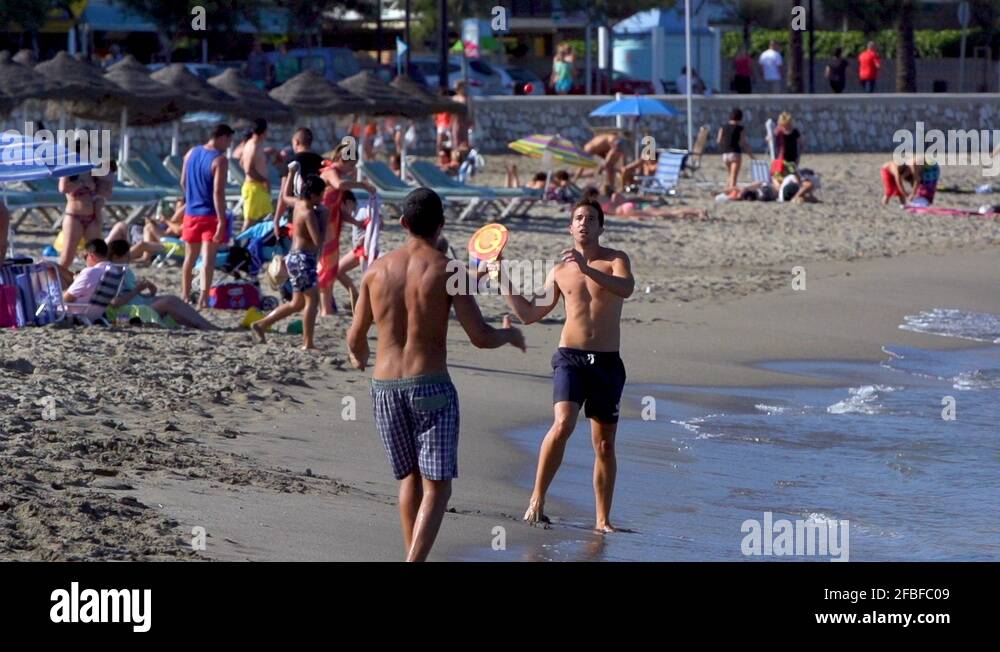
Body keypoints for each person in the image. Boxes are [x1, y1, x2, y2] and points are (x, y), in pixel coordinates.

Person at [347, 188, 526, 561]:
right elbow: (479, 337)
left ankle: (413, 554)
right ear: (441, 224)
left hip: (384, 388)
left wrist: (359, 355)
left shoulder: (376, 269)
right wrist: (508, 334)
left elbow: (355, 336)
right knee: (438, 488)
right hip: (430, 386)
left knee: (409, 478)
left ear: (403, 224)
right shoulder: (450, 270)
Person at [502, 198, 634, 532]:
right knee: (563, 424)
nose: (584, 223)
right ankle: (536, 500)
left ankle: (603, 520)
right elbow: (530, 313)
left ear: (601, 227)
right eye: (578, 218)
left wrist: (587, 268)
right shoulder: (560, 270)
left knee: (604, 444)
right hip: (571, 359)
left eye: (591, 219)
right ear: (570, 227)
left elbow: (627, 288)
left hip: (606, 363)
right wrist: (500, 274)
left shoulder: (616, 260)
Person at [252, 175, 326, 348]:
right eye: (321, 194)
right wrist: (324, 218)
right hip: (303, 259)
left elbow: (284, 197)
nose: (322, 198)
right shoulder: (308, 212)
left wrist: (291, 174)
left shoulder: (299, 203)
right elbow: (317, 241)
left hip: (294, 257)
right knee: (312, 301)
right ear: (314, 194)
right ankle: (308, 343)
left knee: (297, 303)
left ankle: (261, 325)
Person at [106, 239, 217, 329]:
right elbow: (115, 302)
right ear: (116, 257)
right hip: (122, 316)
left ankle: (204, 325)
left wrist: (149, 291)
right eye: (127, 256)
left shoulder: (125, 271)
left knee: (172, 299)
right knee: (169, 302)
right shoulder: (111, 274)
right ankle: (205, 326)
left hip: (136, 306)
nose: (129, 259)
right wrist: (137, 289)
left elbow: (131, 295)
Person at [317, 143, 374, 316]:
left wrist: (357, 223)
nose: (352, 169)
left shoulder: (339, 174)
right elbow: (340, 185)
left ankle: (326, 307)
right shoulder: (330, 172)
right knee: (326, 267)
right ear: (342, 159)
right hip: (321, 225)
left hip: (332, 226)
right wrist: (362, 185)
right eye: (351, 165)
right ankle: (325, 309)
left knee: (331, 268)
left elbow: (339, 210)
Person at [180, 123, 233, 308]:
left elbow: (183, 182)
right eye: (229, 140)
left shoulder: (191, 153)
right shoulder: (220, 160)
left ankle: (185, 295)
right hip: (210, 214)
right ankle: (203, 298)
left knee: (189, 258)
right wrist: (222, 220)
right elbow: (218, 192)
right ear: (222, 137)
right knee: (207, 261)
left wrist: (192, 199)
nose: (228, 145)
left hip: (191, 213)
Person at [274, 127, 324, 235]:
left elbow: (283, 195)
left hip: (297, 214)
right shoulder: (321, 162)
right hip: (317, 214)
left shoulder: (291, 162)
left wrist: (276, 221)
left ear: (296, 142)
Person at [61, 239, 113, 319]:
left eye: (85, 257)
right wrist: (77, 281)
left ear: (91, 256)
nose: (85, 261)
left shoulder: (90, 272)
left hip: (78, 313)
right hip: (99, 313)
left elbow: (66, 299)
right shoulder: (114, 271)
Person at [239, 118, 273, 228]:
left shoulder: (257, 145)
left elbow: (241, 162)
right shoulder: (252, 146)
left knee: (267, 217)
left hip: (259, 188)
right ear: (264, 131)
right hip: (254, 188)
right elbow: (248, 169)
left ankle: (257, 243)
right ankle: (240, 244)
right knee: (249, 222)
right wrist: (264, 180)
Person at [717, 108, 753, 192]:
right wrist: (751, 155)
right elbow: (743, 143)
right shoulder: (740, 128)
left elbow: (719, 140)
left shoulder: (723, 127)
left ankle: (726, 190)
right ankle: (730, 192)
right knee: (733, 177)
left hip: (725, 154)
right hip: (735, 154)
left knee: (730, 175)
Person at [450, 81, 473, 152]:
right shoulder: (454, 98)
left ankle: (465, 156)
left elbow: (470, 111)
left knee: (465, 141)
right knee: (456, 140)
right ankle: (457, 157)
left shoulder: (466, 98)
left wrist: (471, 120)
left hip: (464, 121)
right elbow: (452, 113)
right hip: (456, 121)